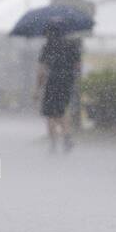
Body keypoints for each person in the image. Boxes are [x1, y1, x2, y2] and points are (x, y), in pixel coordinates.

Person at [36, 23, 80, 153]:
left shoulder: (47, 48)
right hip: (67, 82)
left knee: (50, 114)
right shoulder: (72, 46)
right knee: (62, 110)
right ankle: (66, 136)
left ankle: (53, 143)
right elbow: (77, 67)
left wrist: (37, 88)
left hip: (52, 82)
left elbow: (41, 71)